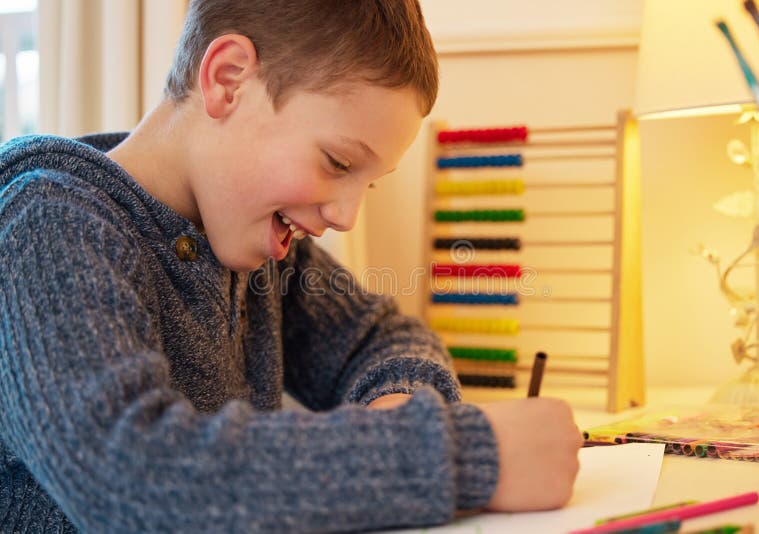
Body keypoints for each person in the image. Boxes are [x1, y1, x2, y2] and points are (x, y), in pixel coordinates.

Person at [0, 1, 582, 532]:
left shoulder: (259, 248)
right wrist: (462, 457)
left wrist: (399, 403)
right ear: (227, 80)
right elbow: (127, 474)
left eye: (368, 184)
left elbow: (378, 337)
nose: (347, 216)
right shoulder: (47, 225)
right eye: (337, 161)